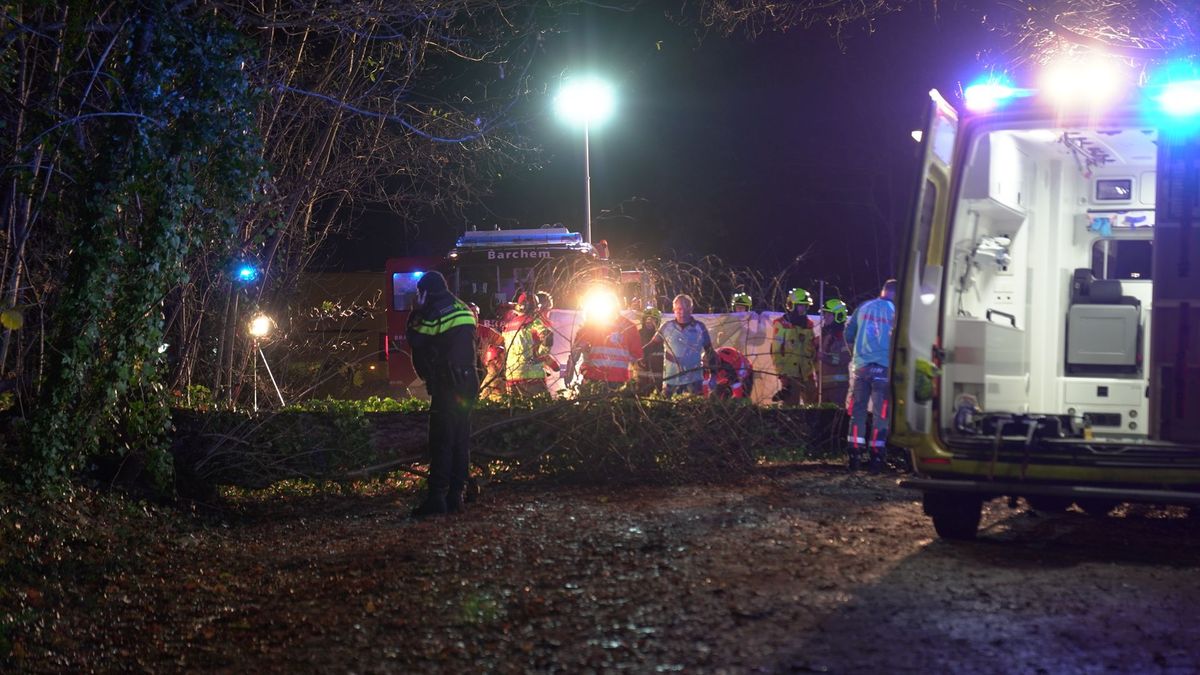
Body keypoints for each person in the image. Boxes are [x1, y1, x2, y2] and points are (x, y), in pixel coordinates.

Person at [406, 271, 479, 516]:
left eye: (419, 292)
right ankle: (456, 495)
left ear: (426, 291)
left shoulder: (435, 311)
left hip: (449, 384)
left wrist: (416, 311)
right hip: (469, 380)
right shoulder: (463, 307)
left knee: (442, 441)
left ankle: (436, 498)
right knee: (461, 440)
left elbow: (415, 339)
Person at [845, 279, 897, 472]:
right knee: (880, 414)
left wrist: (857, 356)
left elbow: (849, 335)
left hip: (862, 368)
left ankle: (855, 455)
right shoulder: (896, 312)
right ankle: (877, 457)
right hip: (884, 369)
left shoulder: (864, 307)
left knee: (857, 411)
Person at [568, 295, 643, 391]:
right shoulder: (629, 326)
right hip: (615, 379)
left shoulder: (592, 325)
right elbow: (636, 356)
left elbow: (577, 349)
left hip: (596, 377)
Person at [646, 294, 715, 397]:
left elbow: (709, 351)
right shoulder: (666, 327)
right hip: (671, 381)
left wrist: (713, 375)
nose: (682, 312)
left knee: (695, 410)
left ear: (691, 309)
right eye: (678, 309)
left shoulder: (700, 327)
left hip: (694, 380)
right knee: (669, 411)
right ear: (674, 309)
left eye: (685, 309)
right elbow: (652, 345)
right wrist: (636, 355)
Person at [770, 288, 817, 405]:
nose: (804, 309)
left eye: (806, 306)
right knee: (790, 406)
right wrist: (782, 374)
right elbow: (776, 351)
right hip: (789, 373)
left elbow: (810, 347)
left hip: (807, 373)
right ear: (792, 306)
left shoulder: (809, 324)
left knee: (813, 404)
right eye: (801, 306)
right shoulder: (781, 324)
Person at [502, 293, 552, 396]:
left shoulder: (507, 326)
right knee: (541, 409)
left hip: (512, 377)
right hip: (532, 377)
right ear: (535, 308)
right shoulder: (534, 322)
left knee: (517, 410)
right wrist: (540, 355)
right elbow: (548, 338)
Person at [818, 298, 851, 406]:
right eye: (825, 314)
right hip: (823, 386)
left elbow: (844, 358)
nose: (825, 317)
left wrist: (825, 357)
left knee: (835, 419)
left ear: (838, 316)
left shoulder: (844, 337)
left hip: (838, 386)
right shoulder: (824, 335)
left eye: (828, 314)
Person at [636, 307, 664, 396]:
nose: (649, 323)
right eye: (647, 320)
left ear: (657, 322)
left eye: (653, 320)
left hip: (657, 378)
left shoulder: (662, 336)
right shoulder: (638, 334)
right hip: (640, 377)